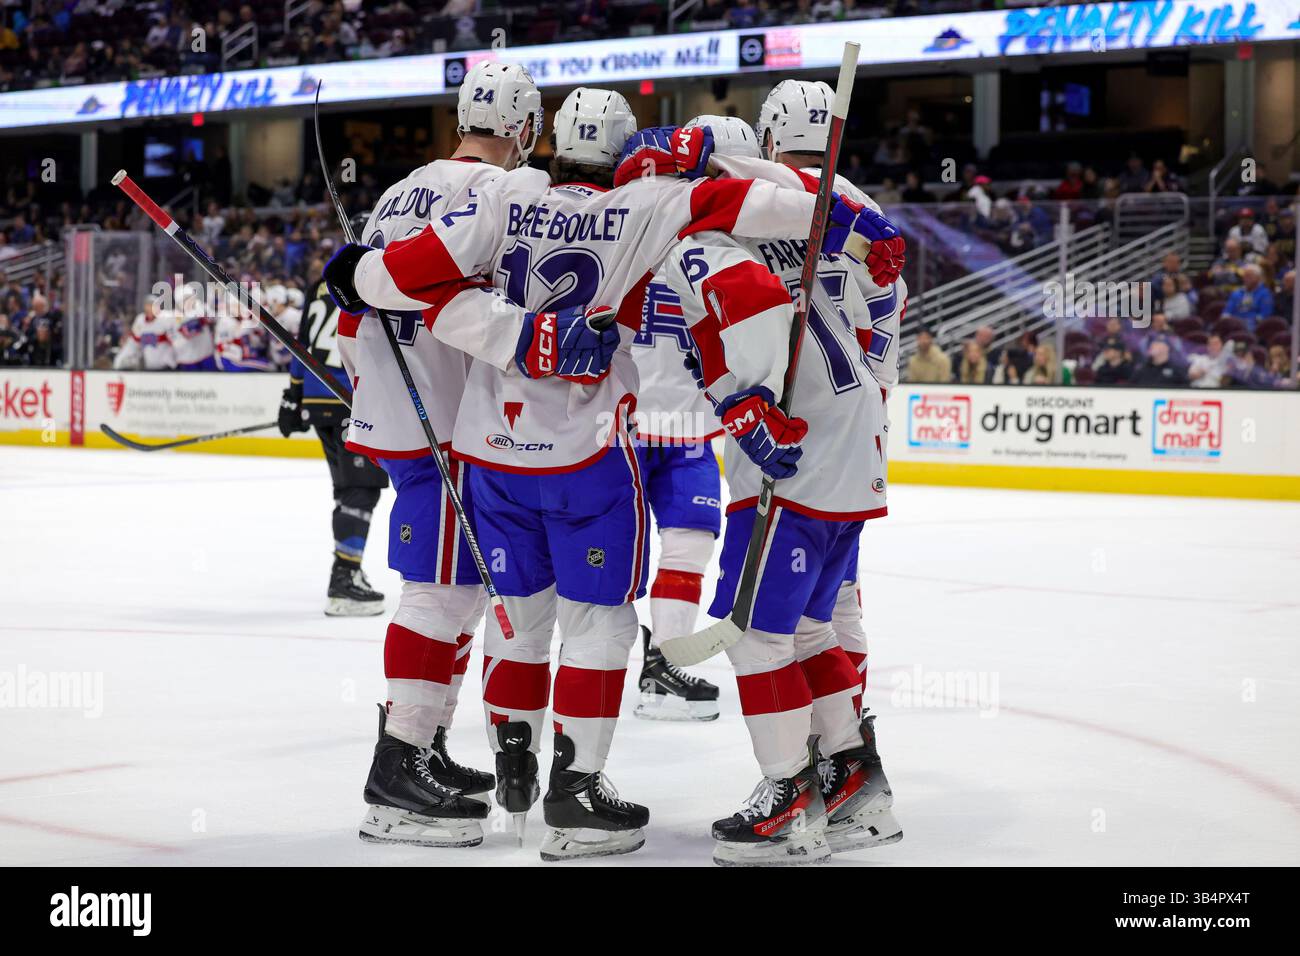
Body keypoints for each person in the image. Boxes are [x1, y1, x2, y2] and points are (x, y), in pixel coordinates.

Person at [327, 86, 868, 861]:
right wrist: (848, 219)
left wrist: (364, 278)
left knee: (513, 613)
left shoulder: (508, 195)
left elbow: (413, 284)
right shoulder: (644, 202)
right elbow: (744, 222)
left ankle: (511, 767)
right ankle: (572, 794)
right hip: (586, 450)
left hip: (480, 447)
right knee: (594, 622)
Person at [663, 81, 905, 865]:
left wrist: (745, 404)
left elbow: (747, 312)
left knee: (757, 638)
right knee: (814, 624)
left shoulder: (723, 218)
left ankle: (789, 799)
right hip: (854, 441)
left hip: (791, 450)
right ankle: (855, 781)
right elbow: (880, 339)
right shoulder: (842, 205)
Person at [278, 276, 389, 618]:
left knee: (346, 490)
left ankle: (348, 568)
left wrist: (293, 395)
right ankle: (344, 581)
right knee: (360, 490)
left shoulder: (322, 282)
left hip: (317, 396)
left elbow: (302, 345)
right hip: (350, 398)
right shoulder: (378, 275)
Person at [1222, 264, 1274, 331]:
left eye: (1249, 276)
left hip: (1254, 328)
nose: (1245, 279)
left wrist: (1248, 321)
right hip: (1233, 326)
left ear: (1258, 278)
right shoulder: (1236, 293)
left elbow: (1264, 315)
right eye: (1244, 276)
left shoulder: (1265, 294)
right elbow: (1226, 312)